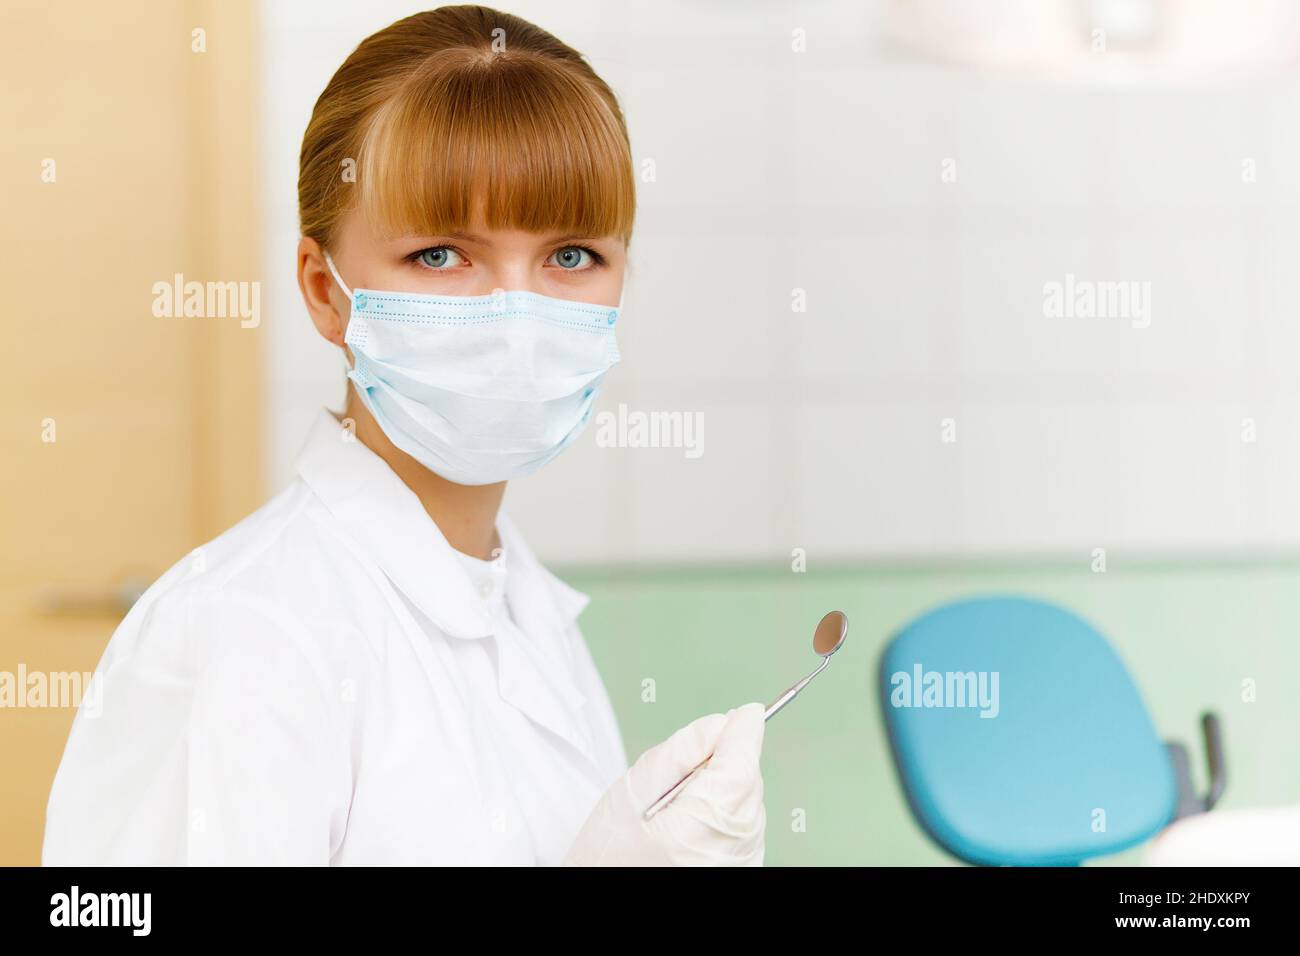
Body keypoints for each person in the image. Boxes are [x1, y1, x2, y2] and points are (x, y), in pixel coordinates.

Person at [42, 4, 766, 866]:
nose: (516, 316)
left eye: (571, 256)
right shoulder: (246, 633)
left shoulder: (522, 609)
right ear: (324, 289)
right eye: (441, 255)